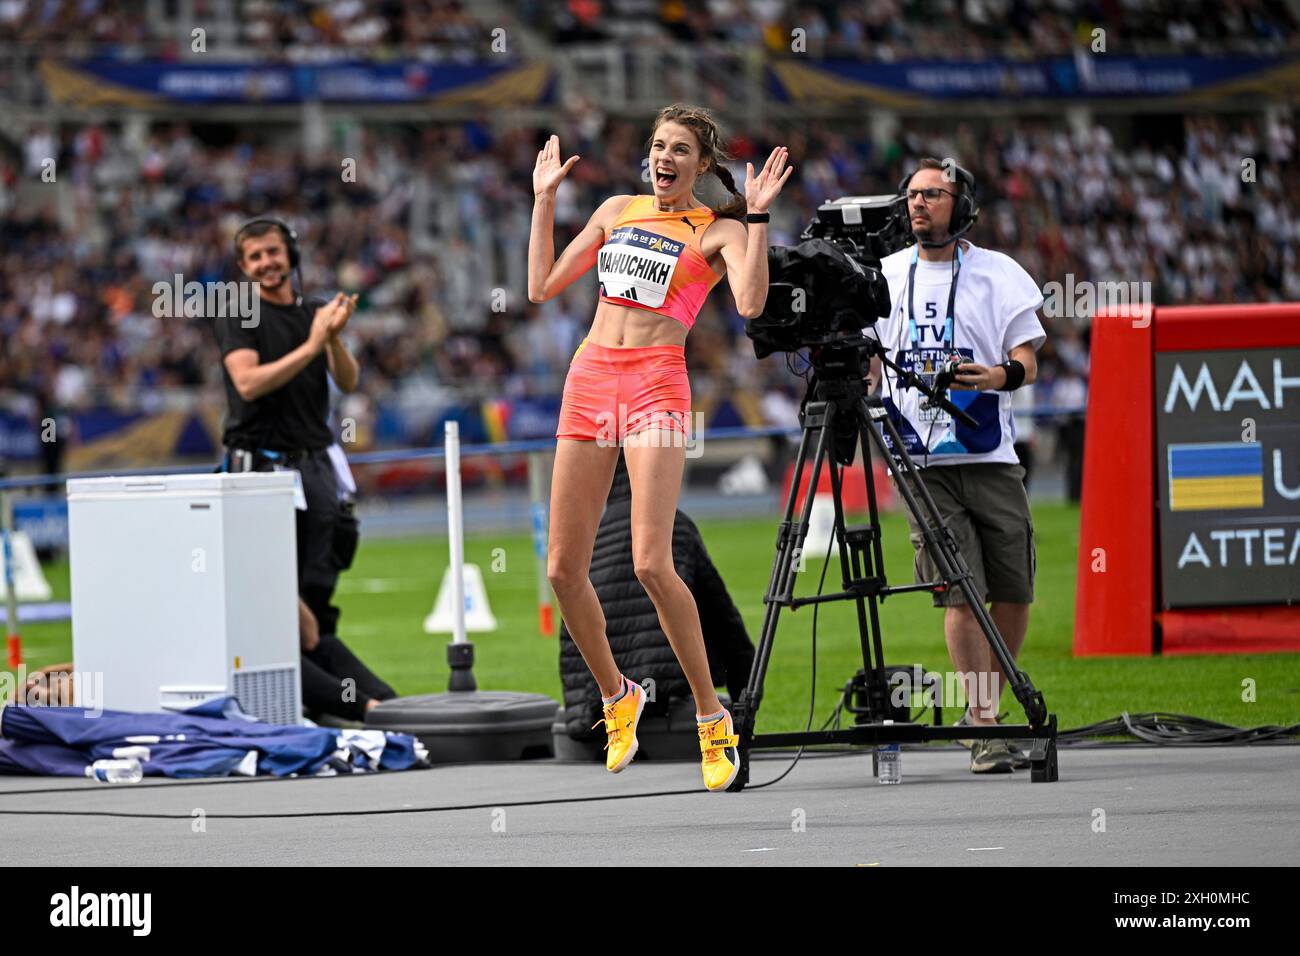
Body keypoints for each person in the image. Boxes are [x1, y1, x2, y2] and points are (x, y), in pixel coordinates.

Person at [529, 104, 791, 790]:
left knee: (651, 561)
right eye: (657, 146)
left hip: (656, 385)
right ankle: (618, 695)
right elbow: (540, 286)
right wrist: (544, 199)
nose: (663, 157)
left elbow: (752, 303)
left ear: (702, 164)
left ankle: (711, 715)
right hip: (591, 378)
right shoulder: (617, 210)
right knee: (562, 569)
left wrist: (758, 217)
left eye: (678, 149)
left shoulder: (718, 228)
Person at [868, 158, 1046, 774]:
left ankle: (982, 709)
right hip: (918, 461)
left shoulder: (1000, 273)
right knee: (960, 591)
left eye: (934, 194)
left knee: (1014, 590)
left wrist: (997, 375)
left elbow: (1027, 361)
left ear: (963, 206)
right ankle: (986, 722)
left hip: (990, 452)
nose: (919, 203)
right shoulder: (885, 274)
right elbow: (869, 362)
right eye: (913, 194)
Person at [213, 217, 368, 705]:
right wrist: (313, 344)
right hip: (262, 470)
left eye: (273, 252)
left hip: (315, 465)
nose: (267, 263)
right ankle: (288, 697)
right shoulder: (240, 314)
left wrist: (333, 337)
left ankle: (324, 698)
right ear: (243, 266)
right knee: (273, 594)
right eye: (255, 256)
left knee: (318, 587)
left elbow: (349, 380)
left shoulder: (314, 312)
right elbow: (248, 383)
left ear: (291, 255)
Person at [557, 453, 755, 739]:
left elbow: (571, 632)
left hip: (599, 712)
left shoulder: (585, 538)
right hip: (668, 693)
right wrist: (743, 705)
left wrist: (579, 716)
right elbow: (725, 622)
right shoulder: (677, 527)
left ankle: (618, 700)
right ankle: (710, 717)